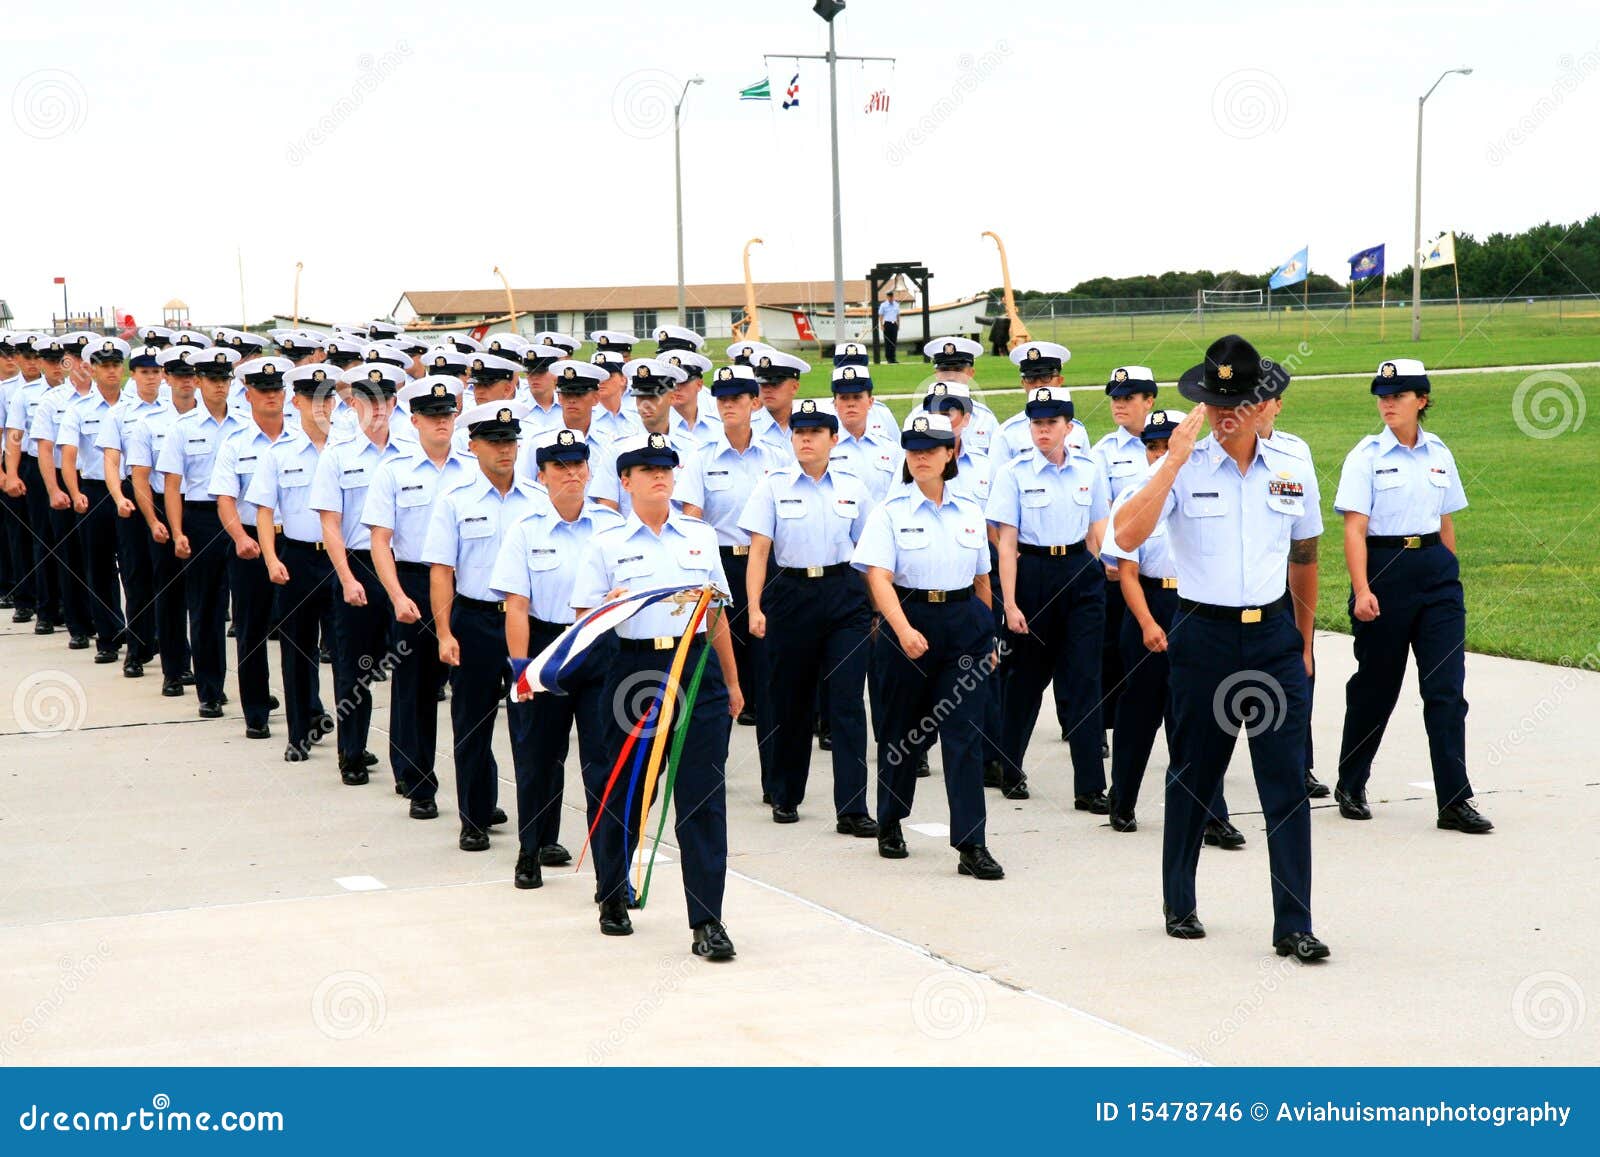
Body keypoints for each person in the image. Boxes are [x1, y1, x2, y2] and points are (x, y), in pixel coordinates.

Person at [1113, 334, 1328, 962]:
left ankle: (1294, 922)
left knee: (1284, 781)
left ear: (1263, 403)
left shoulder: (1294, 461)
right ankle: (1179, 898)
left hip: (1273, 638)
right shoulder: (1181, 466)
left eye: (1239, 400)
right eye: (1216, 401)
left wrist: (1305, 638)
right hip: (1202, 634)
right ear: (1201, 405)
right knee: (1195, 774)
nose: (1228, 411)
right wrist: (1173, 463)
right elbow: (1126, 536)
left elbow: (1306, 553)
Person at [569, 431, 744, 957]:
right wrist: (610, 606)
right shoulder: (606, 544)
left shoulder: (699, 537)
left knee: (702, 797)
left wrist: (732, 683)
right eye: (648, 471)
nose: (661, 477)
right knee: (628, 788)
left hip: (694, 669)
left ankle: (707, 921)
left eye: (667, 468)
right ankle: (613, 889)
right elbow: (584, 622)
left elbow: (716, 615)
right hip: (634, 670)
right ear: (625, 481)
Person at [1332, 359, 1490, 834]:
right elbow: (1354, 530)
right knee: (1377, 687)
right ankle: (1351, 782)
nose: (1387, 403)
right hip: (1384, 572)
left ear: (1421, 401)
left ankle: (1454, 801)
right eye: (1382, 395)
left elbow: (1445, 520)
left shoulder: (1440, 452)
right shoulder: (1366, 456)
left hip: (1436, 575)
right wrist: (1362, 590)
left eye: (1397, 395)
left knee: (1445, 691)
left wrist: (1449, 571)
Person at [851, 413, 1003, 880]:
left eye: (931, 448)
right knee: (902, 733)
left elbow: (983, 578)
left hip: (964, 626)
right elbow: (877, 575)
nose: (920, 456)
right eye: (913, 448)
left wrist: (989, 635)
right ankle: (892, 820)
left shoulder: (970, 510)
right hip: (910, 620)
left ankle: (971, 843)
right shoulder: (889, 511)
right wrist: (901, 629)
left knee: (963, 735)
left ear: (950, 454)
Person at [492, 428, 625, 889]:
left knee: (602, 763)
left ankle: (611, 871)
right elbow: (517, 605)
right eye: (560, 467)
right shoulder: (525, 530)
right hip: (548, 649)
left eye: (578, 466)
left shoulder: (612, 526)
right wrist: (521, 669)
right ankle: (530, 850)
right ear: (543, 475)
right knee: (539, 759)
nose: (571, 474)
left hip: (599, 649)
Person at [741, 399, 876, 835]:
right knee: (791, 701)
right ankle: (785, 794)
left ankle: (853, 807)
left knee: (847, 703)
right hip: (791, 595)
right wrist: (756, 606)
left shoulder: (853, 487)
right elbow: (759, 551)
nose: (805, 439)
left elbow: (870, 554)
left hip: (844, 597)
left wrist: (877, 610)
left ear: (833, 440)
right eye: (799, 432)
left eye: (816, 432)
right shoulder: (773, 486)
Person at [1102, 407, 1236, 846]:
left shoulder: (1208, 490)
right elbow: (1125, 571)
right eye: (1153, 446)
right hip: (1151, 602)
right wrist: (1146, 623)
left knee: (1198, 716)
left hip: (1198, 607)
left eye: (1167, 445)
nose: (1160, 453)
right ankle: (1121, 799)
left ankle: (1212, 814)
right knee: (1140, 712)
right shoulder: (1134, 496)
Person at [424, 401, 541, 851]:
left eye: (510, 441)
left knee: (532, 729)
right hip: (474, 621)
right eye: (495, 442)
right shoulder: (455, 500)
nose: (505, 450)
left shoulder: (538, 499)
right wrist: (445, 632)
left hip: (526, 624)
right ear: (472, 446)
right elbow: (441, 571)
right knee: (472, 726)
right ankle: (473, 818)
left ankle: (539, 827)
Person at [987, 384, 1109, 804]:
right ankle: (1010, 766)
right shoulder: (1013, 473)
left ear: (1068, 427)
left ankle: (1091, 786)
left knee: (1085, 680)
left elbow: (1096, 532)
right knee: (1026, 679)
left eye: (1051, 423)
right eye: (1036, 423)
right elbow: (1006, 542)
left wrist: (1099, 573)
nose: (1042, 431)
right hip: (1033, 573)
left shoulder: (1089, 470)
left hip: (1079, 572)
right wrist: (1010, 603)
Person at [365, 375, 475, 816]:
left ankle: (476, 790)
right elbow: (380, 539)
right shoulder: (394, 471)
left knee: (469, 691)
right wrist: (395, 595)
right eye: (432, 416)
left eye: (447, 415)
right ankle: (418, 781)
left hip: (462, 585)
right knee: (414, 688)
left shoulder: (472, 467)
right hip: (412, 581)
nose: (441, 423)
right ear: (414, 421)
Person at [311, 364, 406, 784]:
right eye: (368, 399)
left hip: (404, 571)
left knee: (408, 671)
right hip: (360, 567)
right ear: (353, 404)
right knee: (356, 667)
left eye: (385, 399)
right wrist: (347, 578)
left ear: (395, 403)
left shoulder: (410, 452)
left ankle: (408, 765)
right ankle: (351, 752)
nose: (378, 408)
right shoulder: (338, 454)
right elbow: (330, 524)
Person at [251, 365, 340, 761]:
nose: (321, 407)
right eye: (313, 399)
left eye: (329, 398)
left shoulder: (348, 450)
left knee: (351, 654)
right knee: (297, 651)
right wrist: (270, 558)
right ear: (297, 401)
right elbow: (265, 511)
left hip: (343, 562)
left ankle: (352, 742)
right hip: (299, 557)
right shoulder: (279, 454)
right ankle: (298, 733)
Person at [158, 347, 246, 718]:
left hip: (241, 519)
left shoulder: (246, 425)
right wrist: (178, 532)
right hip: (201, 518)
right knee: (206, 607)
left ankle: (254, 688)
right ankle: (210, 689)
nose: (219, 387)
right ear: (198, 382)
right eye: (212, 380)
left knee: (247, 608)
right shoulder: (183, 428)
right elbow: (173, 486)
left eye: (225, 380)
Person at [211, 355, 296, 740]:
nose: (271, 396)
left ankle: (306, 707)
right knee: (252, 629)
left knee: (301, 630)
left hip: (294, 541)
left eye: (277, 389)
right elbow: (226, 499)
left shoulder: (302, 439)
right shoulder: (236, 443)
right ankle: (257, 709)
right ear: (248, 395)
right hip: (250, 544)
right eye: (263, 390)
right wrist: (241, 539)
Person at [1093, 366, 1160, 761]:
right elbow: (1100, 510)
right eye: (1115, 397)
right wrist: (1108, 556)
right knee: (1110, 648)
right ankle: (1101, 726)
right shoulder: (1104, 452)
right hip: (1118, 567)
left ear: (1149, 401)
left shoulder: (1170, 441)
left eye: (1128, 398)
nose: (1119, 405)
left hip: (1163, 570)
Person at [127, 346, 199, 695]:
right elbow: (140, 477)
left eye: (191, 375)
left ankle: (208, 671)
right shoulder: (149, 423)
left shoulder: (226, 422)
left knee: (207, 598)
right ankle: (174, 669)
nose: (186, 382)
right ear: (167, 378)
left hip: (208, 509)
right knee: (169, 592)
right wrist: (154, 520)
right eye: (179, 375)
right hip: (164, 506)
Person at [97, 343, 169, 677]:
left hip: (169, 497)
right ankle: (137, 651)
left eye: (156, 372)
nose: (151, 378)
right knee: (136, 574)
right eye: (144, 372)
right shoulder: (120, 413)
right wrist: (117, 498)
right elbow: (111, 461)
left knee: (169, 579)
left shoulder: (177, 410)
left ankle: (174, 655)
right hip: (133, 495)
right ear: (133, 374)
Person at [57, 337, 130, 664]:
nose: (112, 371)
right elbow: (69, 455)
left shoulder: (135, 406)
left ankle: (144, 633)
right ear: (93, 369)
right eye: (105, 366)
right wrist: (75, 494)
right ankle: (108, 636)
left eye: (116, 365)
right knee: (99, 567)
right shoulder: (79, 409)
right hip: (95, 492)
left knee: (136, 566)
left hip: (133, 490)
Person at [992, 342, 1091, 465]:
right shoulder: (1006, 433)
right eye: (1030, 378)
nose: (1038, 384)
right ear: (1023, 383)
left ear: (1060, 380)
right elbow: (998, 481)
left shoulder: (1077, 430)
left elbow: (1088, 476)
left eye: (1045, 377)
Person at [877, 294, 900, 363]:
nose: (891, 298)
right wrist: (881, 325)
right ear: (887, 297)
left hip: (894, 324)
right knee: (888, 342)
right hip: (887, 324)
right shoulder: (883, 305)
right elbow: (881, 315)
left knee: (894, 342)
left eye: (892, 296)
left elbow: (898, 315)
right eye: (889, 297)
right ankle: (888, 358)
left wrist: (898, 324)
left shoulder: (896, 304)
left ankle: (893, 358)